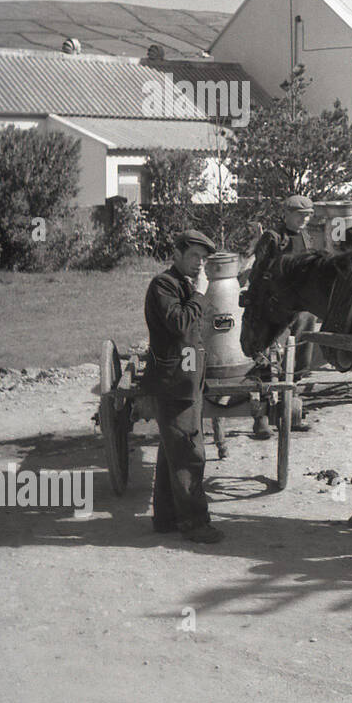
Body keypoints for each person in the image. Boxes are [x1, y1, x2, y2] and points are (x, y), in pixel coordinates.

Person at [143, 230, 221, 542]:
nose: (200, 264)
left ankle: (166, 518)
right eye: (193, 257)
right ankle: (194, 523)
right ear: (176, 253)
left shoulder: (184, 285)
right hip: (173, 382)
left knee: (172, 450)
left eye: (204, 259)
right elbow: (179, 324)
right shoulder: (164, 284)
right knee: (190, 453)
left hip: (186, 382)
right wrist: (201, 295)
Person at [243, 195, 318, 438]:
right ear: (286, 214)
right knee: (268, 357)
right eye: (299, 215)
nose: (304, 220)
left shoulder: (306, 237)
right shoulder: (273, 237)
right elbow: (258, 274)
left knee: (303, 343)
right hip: (271, 307)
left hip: (299, 306)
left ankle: (291, 404)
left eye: (307, 215)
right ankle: (261, 415)